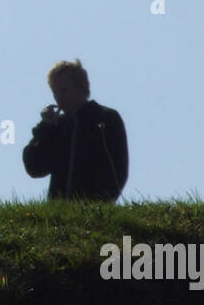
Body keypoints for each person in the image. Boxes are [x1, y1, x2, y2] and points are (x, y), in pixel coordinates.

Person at [22, 59, 128, 201]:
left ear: (82, 88)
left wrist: (100, 202)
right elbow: (34, 167)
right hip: (59, 217)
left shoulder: (106, 118)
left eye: (63, 90)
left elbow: (118, 169)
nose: (59, 97)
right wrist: (45, 127)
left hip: (95, 211)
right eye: (55, 92)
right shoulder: (57, 127)